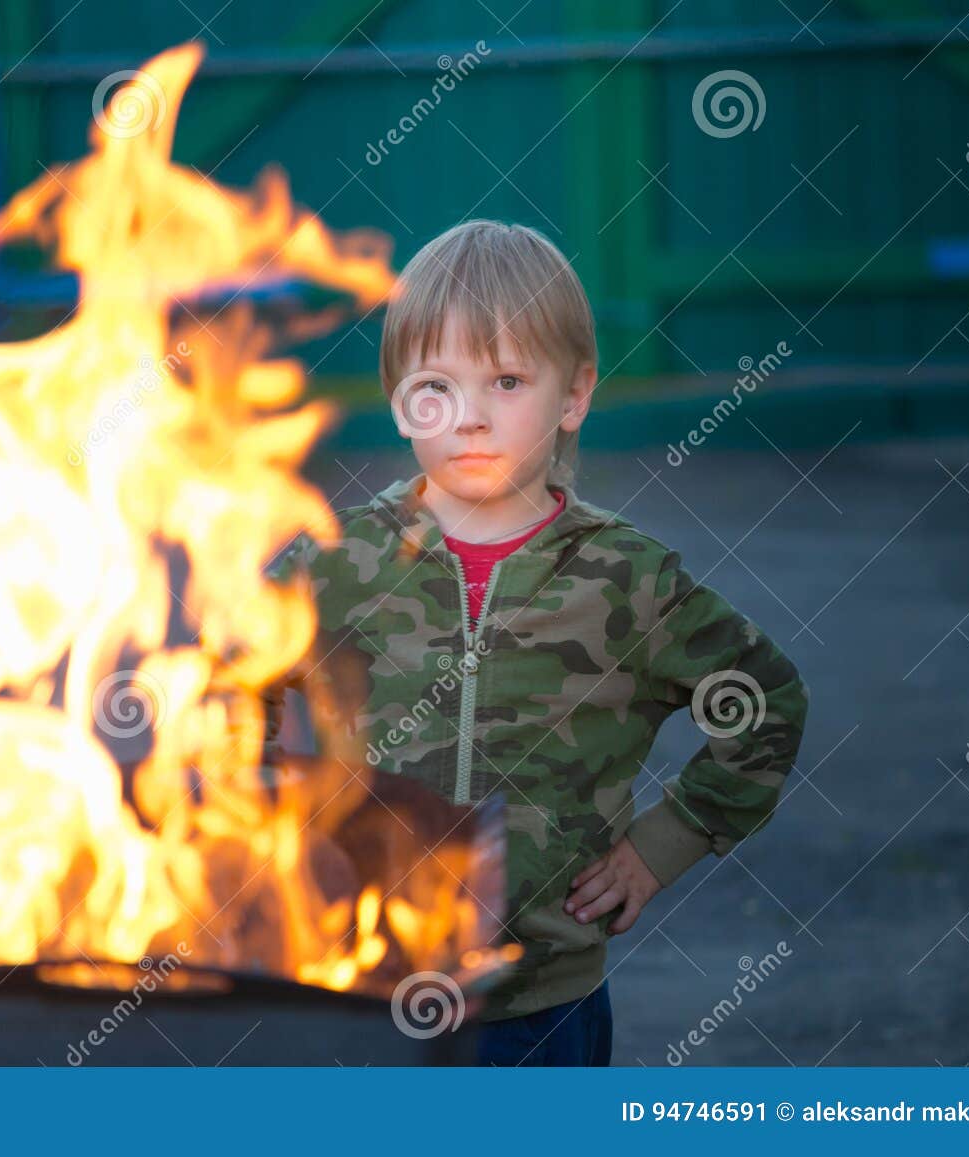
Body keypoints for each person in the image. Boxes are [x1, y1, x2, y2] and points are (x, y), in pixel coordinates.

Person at [263, 219, 811, 1066]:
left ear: (575, 394)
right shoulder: (338, 561)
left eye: (508, 380)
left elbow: (764, 703)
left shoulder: (626, 578)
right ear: (399, 397)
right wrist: (271, 827)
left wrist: (663, 845)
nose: (471, 418)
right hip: (359, 988)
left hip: (542, 1006)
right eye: (436, 385)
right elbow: (229, 688)